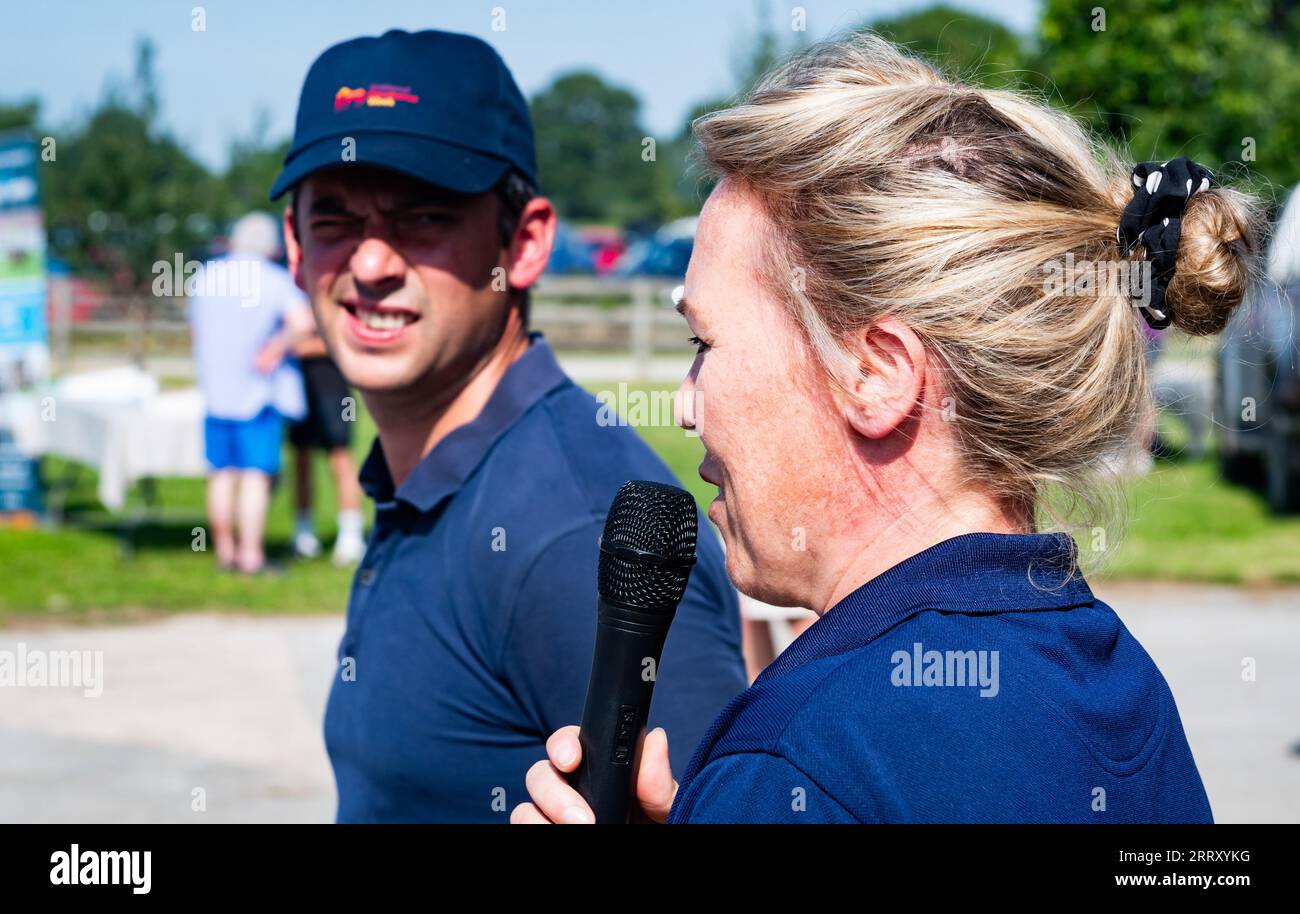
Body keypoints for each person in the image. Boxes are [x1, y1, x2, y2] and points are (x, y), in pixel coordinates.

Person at [514, 35, 1263, 824]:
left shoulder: (800, 759)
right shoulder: (1117, 684)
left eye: (705, 344)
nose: (684, 403)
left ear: (875, 374)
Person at [272, 28, 747, 822]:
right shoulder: (429, 474)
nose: (370, 264)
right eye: (334, 219)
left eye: (422, 215)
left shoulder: (575, 532)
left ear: (524, 243)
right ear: (294, 245)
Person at [190, 212, 315, 574]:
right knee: (255, 477)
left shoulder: (206, 276)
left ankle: (225, 552)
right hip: (257, 393)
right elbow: (303, 323)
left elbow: (195, 328)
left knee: (221, 474)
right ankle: (251, 555)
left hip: (216, 392)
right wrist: (276, 348)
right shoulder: (274, 280)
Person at [287, 337, 366, 566]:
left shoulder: (333, 303)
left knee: (341, 457)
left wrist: (290, 345)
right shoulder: (292, 301)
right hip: (300, 393)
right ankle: (303, 534)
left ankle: (351, 536)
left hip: (337, 394)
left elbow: (342, 342)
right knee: (301, 460)